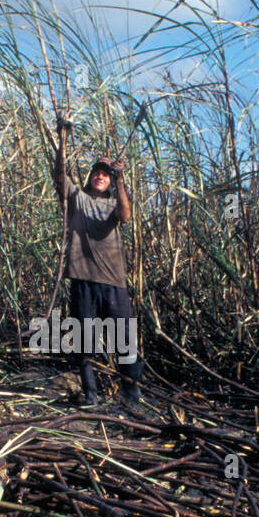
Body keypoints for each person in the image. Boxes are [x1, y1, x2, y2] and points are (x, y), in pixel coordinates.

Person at [52, 115, 145, 407]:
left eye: (106, 174)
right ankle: (91, 394)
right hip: (83, 280)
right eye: (98, 173)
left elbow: (126, 215)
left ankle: (132, 394)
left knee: (124, 340)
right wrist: (63, 139)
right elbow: (59, 176)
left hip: (113, 283)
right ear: (91, 176)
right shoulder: (77, 199)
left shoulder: (114, 204)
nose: (100, 177)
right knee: (84, 341)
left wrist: (121, 180)